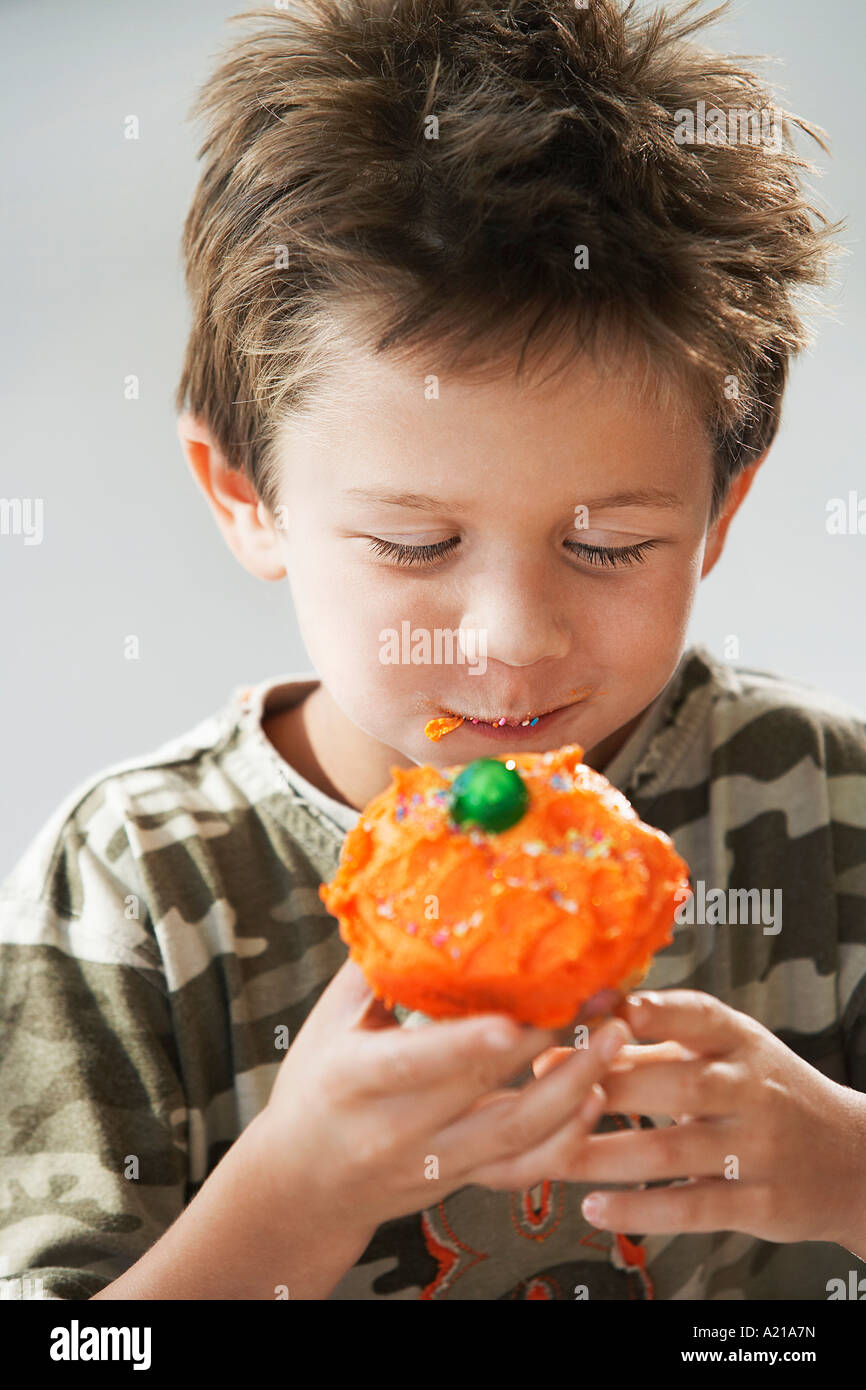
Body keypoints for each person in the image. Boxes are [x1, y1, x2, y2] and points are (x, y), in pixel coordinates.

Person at [2, 0, 864, 1301]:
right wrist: (292, 1194)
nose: (513, 640)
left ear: (717, 514)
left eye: (610, 545)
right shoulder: (133, 887)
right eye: (413, 545)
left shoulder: (830, 807)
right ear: (245, 496)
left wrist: (846, 1167)